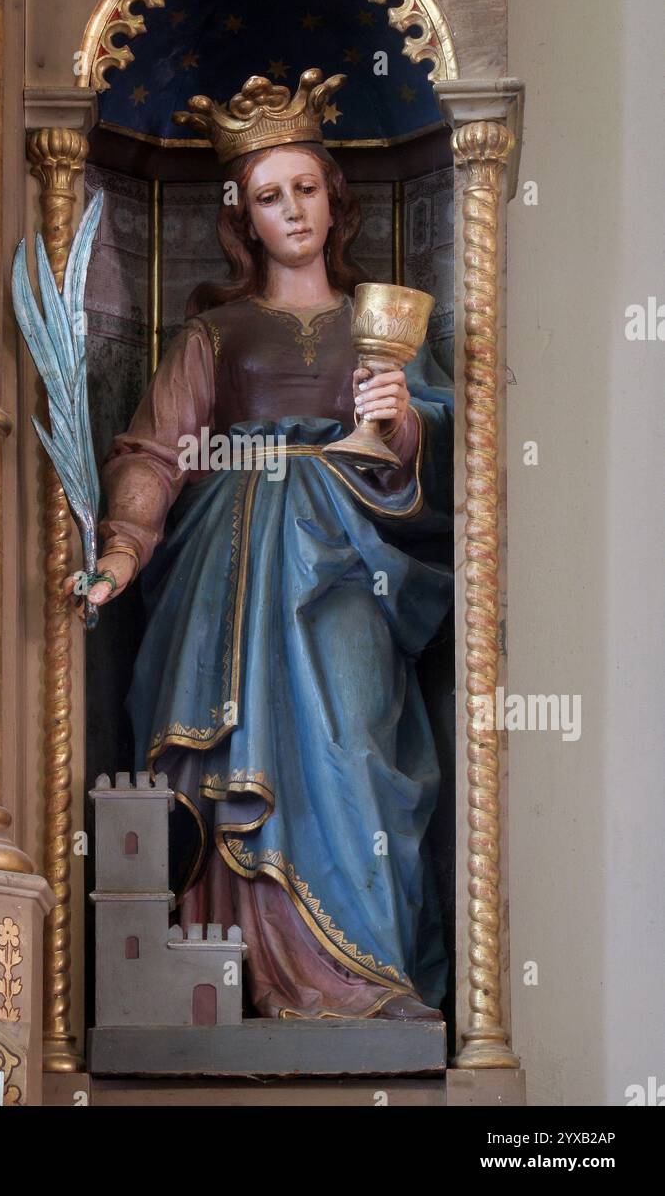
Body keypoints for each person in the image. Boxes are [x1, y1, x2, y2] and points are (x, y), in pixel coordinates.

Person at [66, 70, 454, 1019]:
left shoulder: (385, 328)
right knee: (228, 762)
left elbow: (445, 467)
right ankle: (235, 983)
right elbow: (158, 450)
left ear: (335, 196)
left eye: (307, 189)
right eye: (270, 196)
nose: (294, 212)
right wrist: (120, 548)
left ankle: (362, 978)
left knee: (356, 746)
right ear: (242, 215)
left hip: (346, 576)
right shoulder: (216, 332)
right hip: (226, 580)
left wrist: (398, 423)